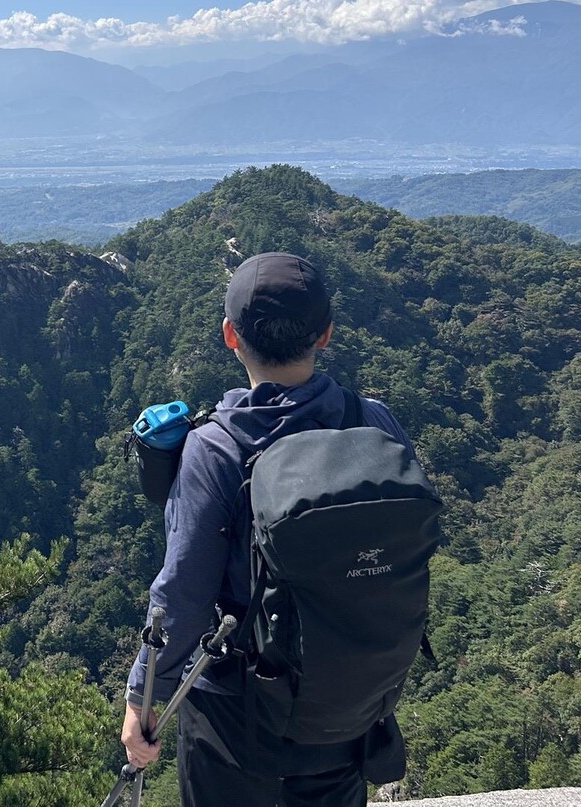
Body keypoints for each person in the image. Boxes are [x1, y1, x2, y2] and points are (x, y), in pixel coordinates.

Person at [120, 251, 418, 807]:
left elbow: (184, 591)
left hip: (237, 717)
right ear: (325, 333)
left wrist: (143, 698)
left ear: (230, 335)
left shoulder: (216, 447)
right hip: (349, 703)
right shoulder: (372, 421)